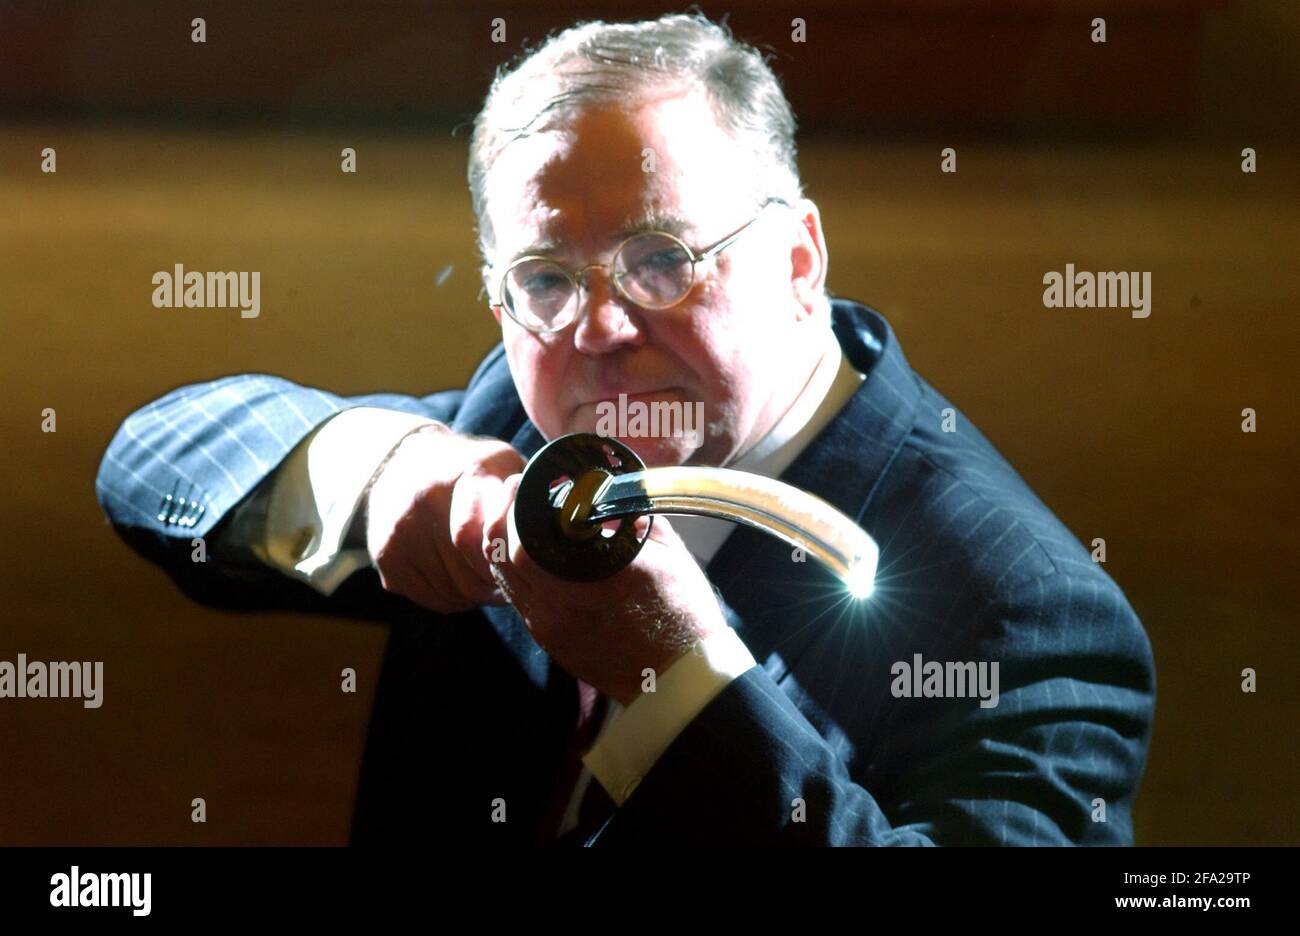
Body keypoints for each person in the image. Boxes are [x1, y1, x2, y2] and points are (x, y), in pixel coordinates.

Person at [95, 13, 1155, 846]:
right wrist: (392, 470)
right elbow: (155, 459)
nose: (598, 329)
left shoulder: (1027, 616)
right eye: (545, 279)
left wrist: (679, 685)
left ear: (798, 263)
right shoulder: (511, 431)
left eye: (662, 260)